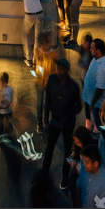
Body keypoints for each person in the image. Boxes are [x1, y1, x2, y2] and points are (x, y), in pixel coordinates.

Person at [40, 57, 82, 189]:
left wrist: (68, 114)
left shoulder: (73, 86)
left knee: (67, 151)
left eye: (60, 68)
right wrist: (46, 119)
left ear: (66, 70)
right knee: (49, 148)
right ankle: (44, 174)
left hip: (67, 124)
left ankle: (64, 178)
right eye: (57, 67)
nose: (58, 70)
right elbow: (47, 100)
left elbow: (79, 107)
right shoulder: (51, 80)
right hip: (55, 121)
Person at [82, 38, 105, 123]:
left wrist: (92, 104)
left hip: (98, 104)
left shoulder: (103, 68)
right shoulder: (98, 57)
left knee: (100, 122)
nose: (90, 50)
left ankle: (102, 130)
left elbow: (100, 89)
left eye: (92, 48)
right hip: (90, 97)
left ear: (98, 51)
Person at [19, 0, 46, 65]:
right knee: (37, 37)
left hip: (29, 14)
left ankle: (29, 58)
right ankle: (36, 59)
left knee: (25, 34)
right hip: (39, 12)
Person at [0, 71, 15, 135]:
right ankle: (0, 136)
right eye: (1, 81)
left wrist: (10, 105)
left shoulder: (10, 89)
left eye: (2, 81)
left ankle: (8, 135)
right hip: (0, 111)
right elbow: (0, 99)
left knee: (9, 127)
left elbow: (11, 100)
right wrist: (1, 90)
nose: (1, 83)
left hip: (8, 110)